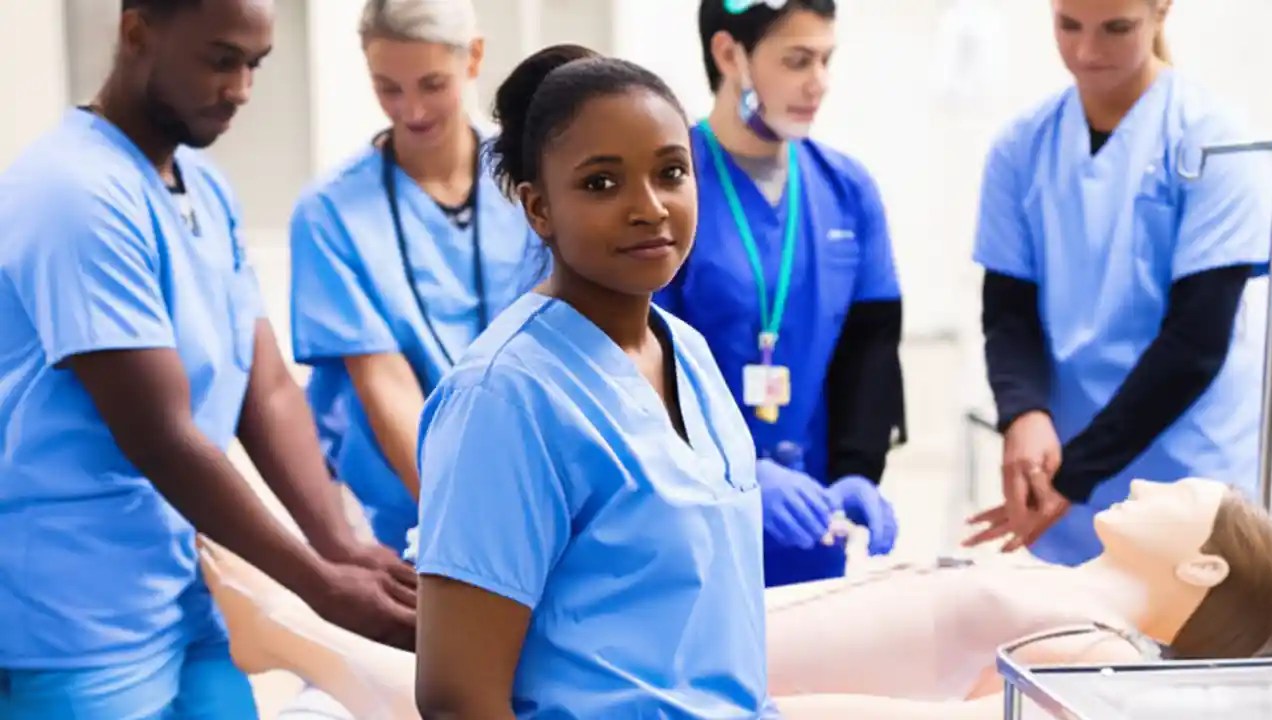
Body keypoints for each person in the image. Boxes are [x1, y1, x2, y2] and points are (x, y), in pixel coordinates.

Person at [0, 1, 416, 717]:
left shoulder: (201, 187)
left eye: (254, 65)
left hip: (181, 590)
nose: (242, 90)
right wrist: (318, 584)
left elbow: (269, 388)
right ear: (137, 32)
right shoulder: (76, 192)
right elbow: (159, 435)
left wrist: (340, 545)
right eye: (221, 59)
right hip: (77, 623)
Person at [200, 476, 1272, 719]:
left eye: (1191, 496)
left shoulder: (1096, 654)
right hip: (710, 642)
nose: (1157, 479)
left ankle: (297, 640)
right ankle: (298, 639)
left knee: (498, 701)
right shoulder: (1054, 586)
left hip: (726, 694)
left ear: (1202, 572)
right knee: (513, 667)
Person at [409, 44, 782, 718]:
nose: (650, 208)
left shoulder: (688, 354)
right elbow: (457, 698)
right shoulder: (505, 397)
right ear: (538, 208)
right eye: (601, 184)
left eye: (671, 172)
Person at [966, 0, 1272, 566]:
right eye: (1068, 26)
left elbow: (1196, 343)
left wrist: (1076, 473)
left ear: (1161, 11)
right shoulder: (1022, 147)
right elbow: (1008, 312)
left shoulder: (1212, 141)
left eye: (1116, 28)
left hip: (1187, 481)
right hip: (1068, 491)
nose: (1086, 53)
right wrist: (1024, 413)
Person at [656, 0, 908, 587]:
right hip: (693, 524)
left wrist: (858, 472)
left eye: (825, 59)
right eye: (797, 60)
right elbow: (643, 363)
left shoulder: (846, 189)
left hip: (811, 521)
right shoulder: (672, 182)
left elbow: (870, 348)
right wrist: (737, 472)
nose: (818, 82)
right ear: (729, 54)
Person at [289, 0, 534, 559]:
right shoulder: (332, 212)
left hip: (540, 485)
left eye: (431, 83)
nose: (412, 110)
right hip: (410, 517)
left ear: (473, 58)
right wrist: (464, 522)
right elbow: (383, 383)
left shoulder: (530, 180)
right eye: (388, 88)